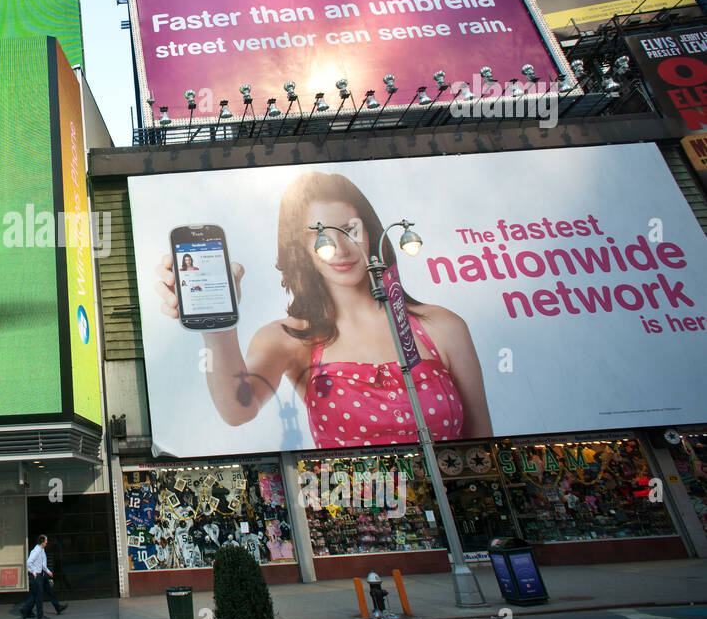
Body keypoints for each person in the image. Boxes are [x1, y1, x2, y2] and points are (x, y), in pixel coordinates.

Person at [154, 170, 492, 447]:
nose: (340, 248)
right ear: (300, 248)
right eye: (319, 235)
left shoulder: (443, 326)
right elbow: (238, 410)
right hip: (351, 518)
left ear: (371, 232)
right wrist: (219, 330)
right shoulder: (290, 338)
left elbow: (484, 443)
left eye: (349, 229)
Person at [17, 535, 52, 619]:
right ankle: (39, 615)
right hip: (36, 576)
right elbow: (29, 562)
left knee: (34, 595)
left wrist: (47, 571)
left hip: (38, 575)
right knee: (38, 596)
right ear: (42, 542)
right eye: (46, 540)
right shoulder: (36, 551)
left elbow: (43, 564)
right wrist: (33, 572)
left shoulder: (41, 550)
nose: (47, 542)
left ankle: (26, 610)